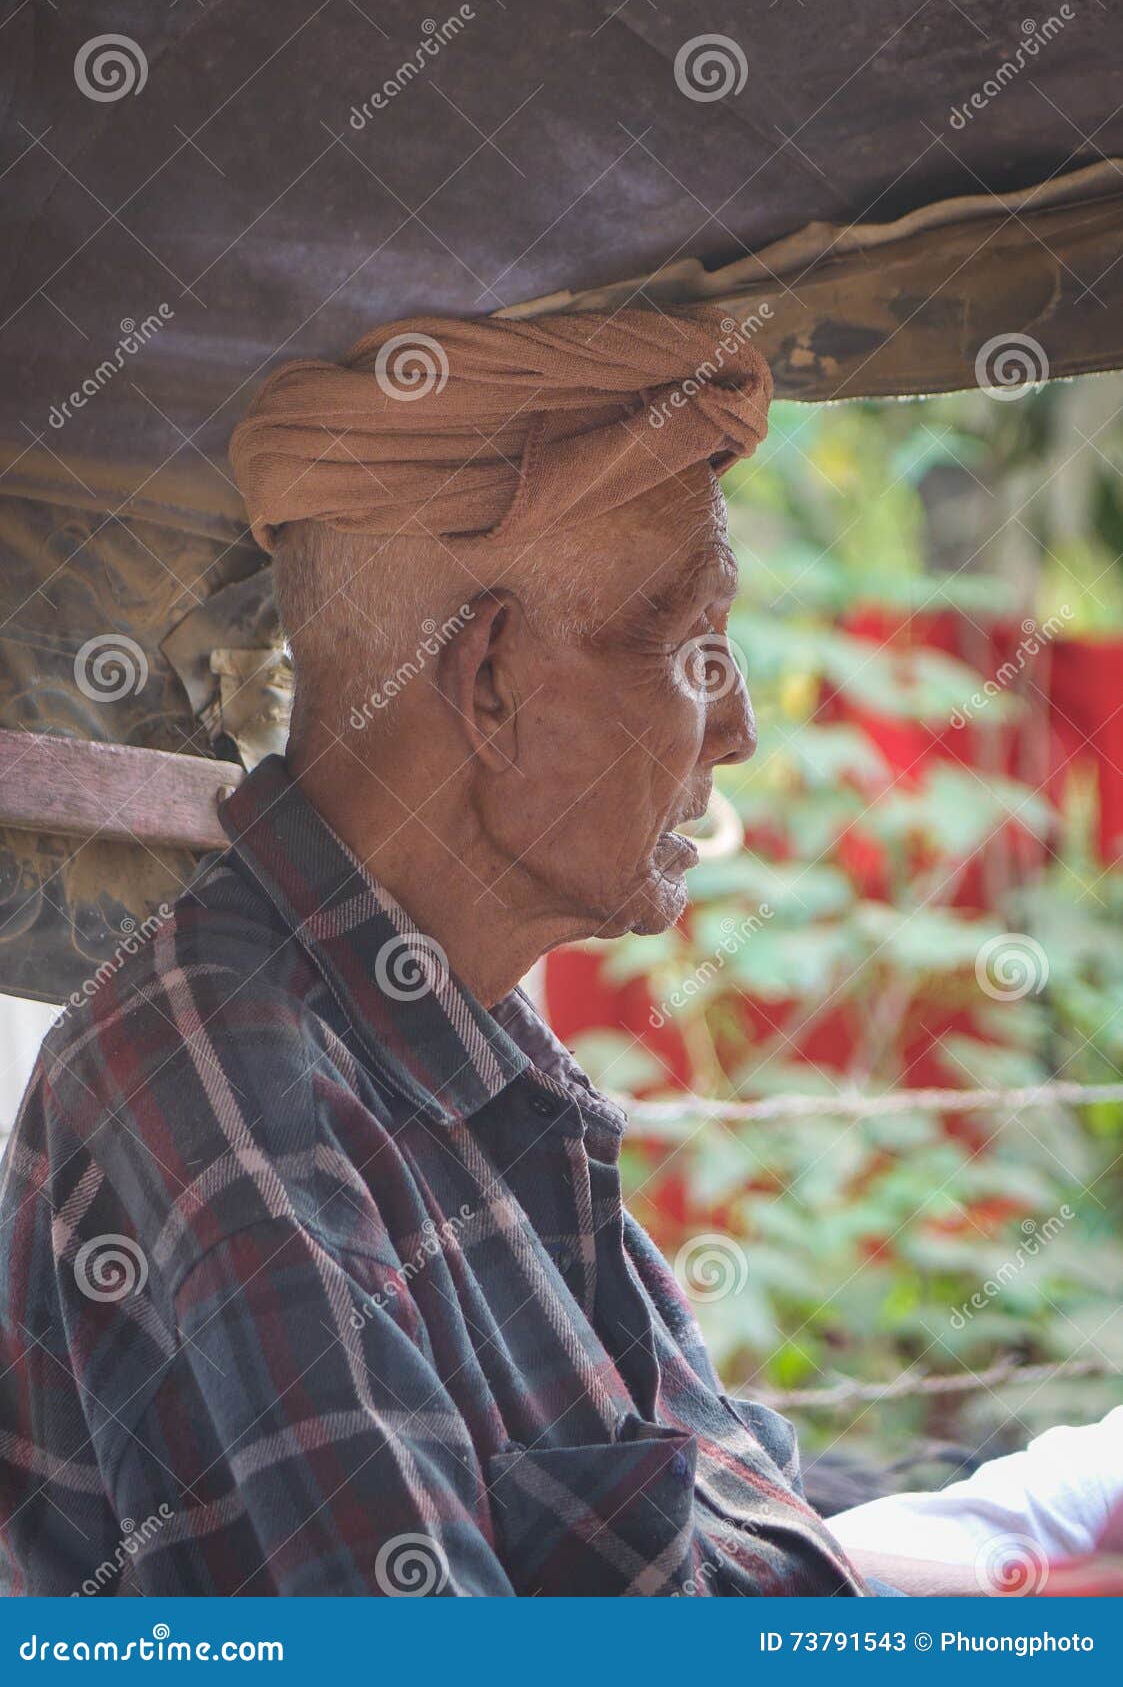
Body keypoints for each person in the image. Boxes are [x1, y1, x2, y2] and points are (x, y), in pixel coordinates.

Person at [0, 304, 1095, 1597]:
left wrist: (1022, 1552)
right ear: (493, 686)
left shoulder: (451, 1035)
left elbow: (700, 1538)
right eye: (695, 646)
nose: (737, 724)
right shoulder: (230, 1087)